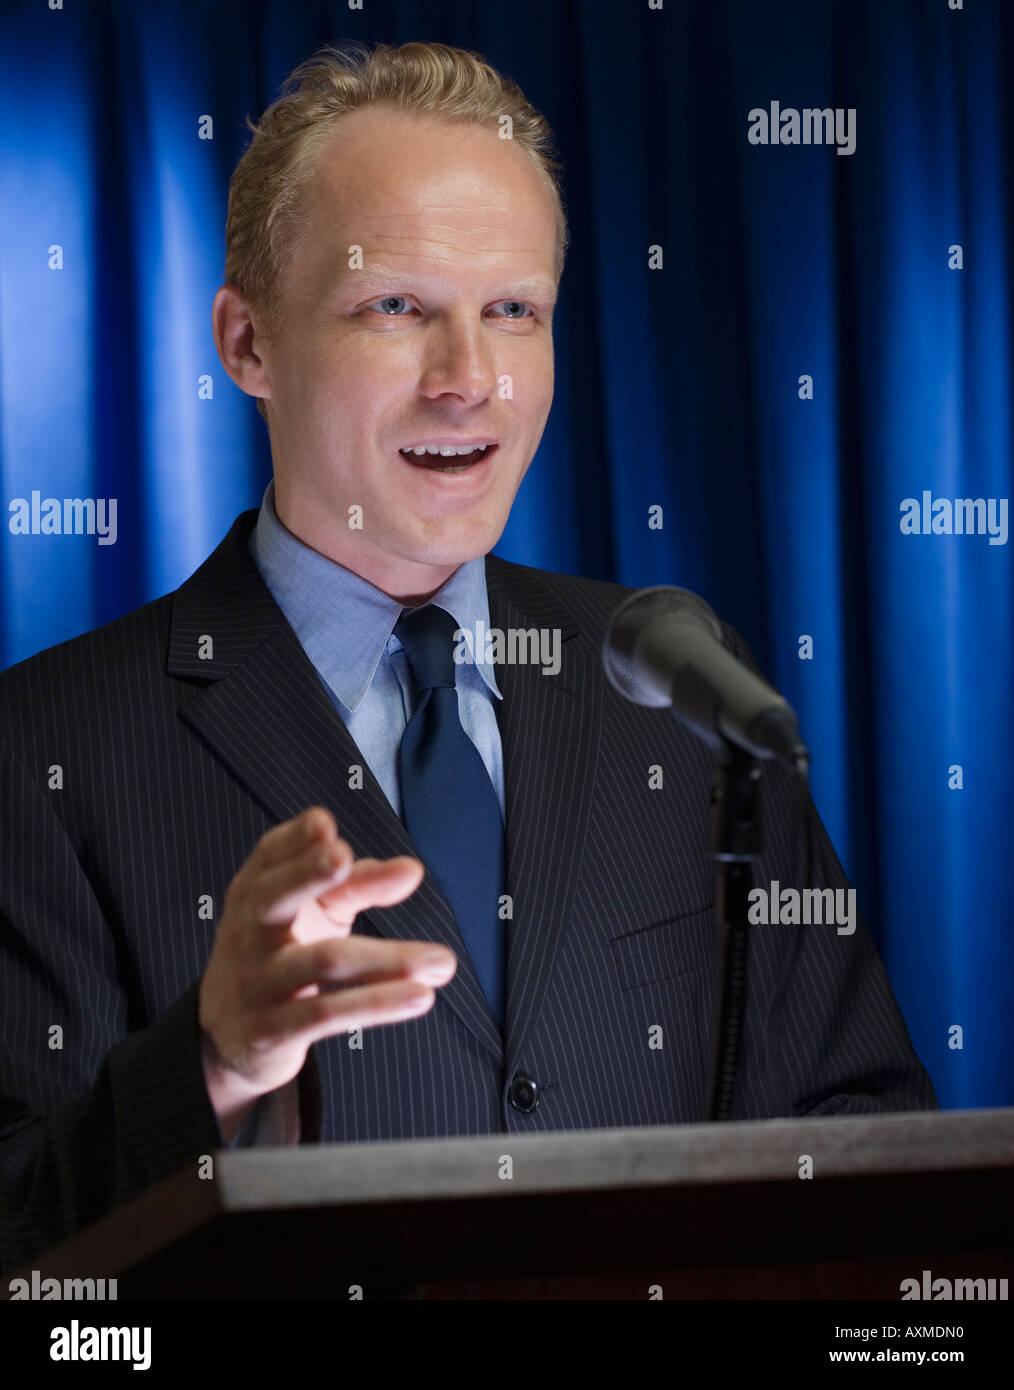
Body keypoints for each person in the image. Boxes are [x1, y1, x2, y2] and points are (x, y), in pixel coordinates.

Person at [0, 39, 936, 1276]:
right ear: (248, 344)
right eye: (395, 307)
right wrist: (210, 1064)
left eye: (513, 311)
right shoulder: (42, 749)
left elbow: (862, 1127)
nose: (470, 380)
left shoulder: (680, 680)